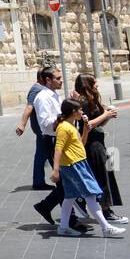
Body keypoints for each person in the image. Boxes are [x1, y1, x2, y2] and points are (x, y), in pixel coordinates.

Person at [53, 99, 126, 238]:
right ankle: (106, 227)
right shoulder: (64, 128)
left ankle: (63, 227)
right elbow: (58, 149)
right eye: (80, 110)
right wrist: (55, 169)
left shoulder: (71, 125)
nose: (82, 112)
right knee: (91, 195)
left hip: (76, 163)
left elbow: (80, 143)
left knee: (70, 197)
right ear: (73, 112)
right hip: (74, 165)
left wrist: (86, 130)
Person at [31, 66, 91, 233]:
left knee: (67, 180)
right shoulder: (43, 97)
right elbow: (45, 122)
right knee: (66, 181)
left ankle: (47, 206)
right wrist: (65, 117)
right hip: (52, 140)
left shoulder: (54, 95)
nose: (61, 80)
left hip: (62, 139)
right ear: (48, 80)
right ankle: (69, 219)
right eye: (57, 78)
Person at [72, 74, 127, 223]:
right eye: (94, 82)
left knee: (103, 175)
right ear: (87, 85)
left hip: (98, 141)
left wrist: (107, 116)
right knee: (102, 176)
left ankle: (82, 200)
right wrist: (106, 115)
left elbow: (99, 124)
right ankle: (105, 211)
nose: (97, 85)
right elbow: (88, 124)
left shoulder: (91, 100)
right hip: (92, 144)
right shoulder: (83, 102)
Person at [14, 71, 51, 189]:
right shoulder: (36, 89)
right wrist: (22, 124)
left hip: (42, 128)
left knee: (43, 153)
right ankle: (40, 181)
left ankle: (39, 181)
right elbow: (29, 107)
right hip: (41, 128)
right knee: (45, 153)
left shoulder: (41, 88)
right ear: (42, 78)